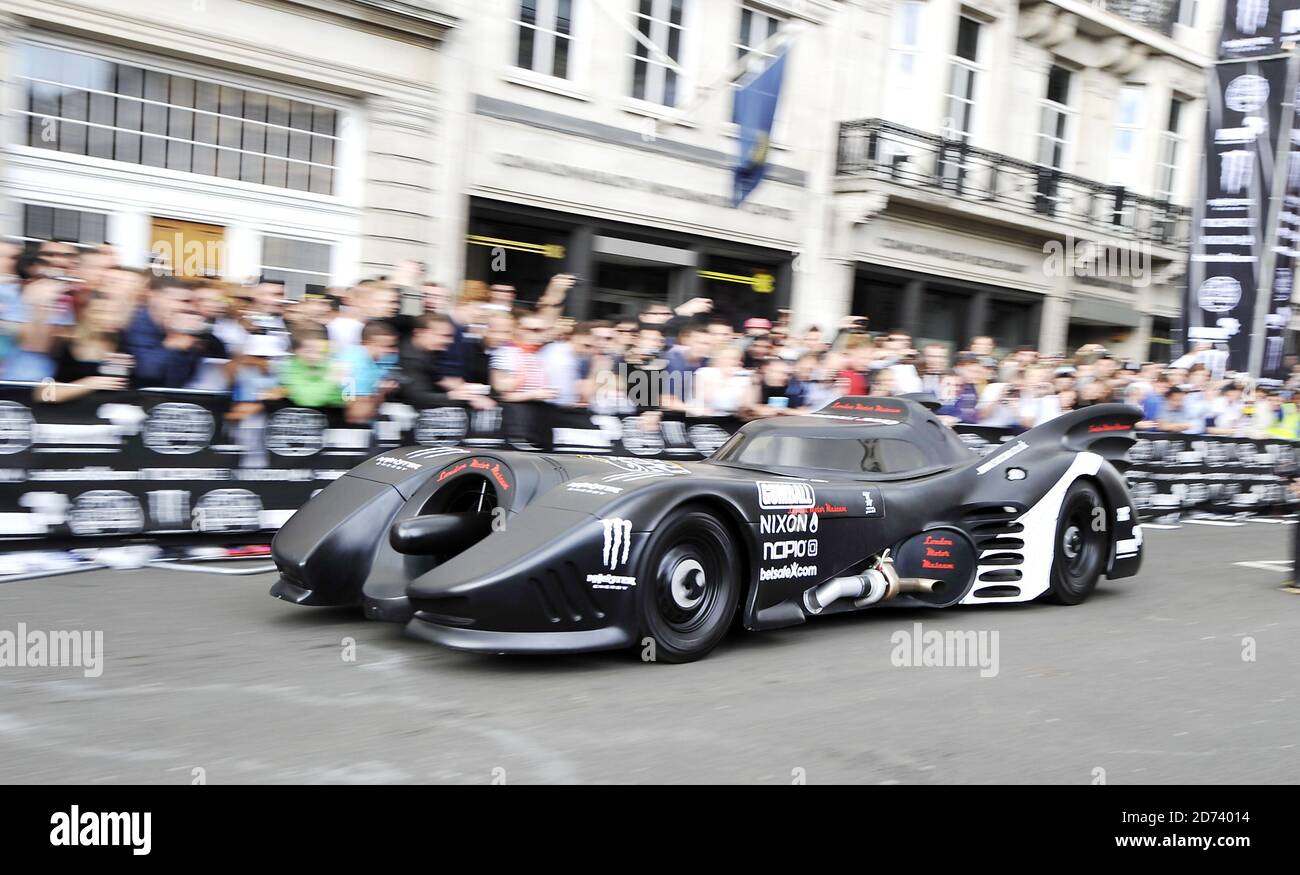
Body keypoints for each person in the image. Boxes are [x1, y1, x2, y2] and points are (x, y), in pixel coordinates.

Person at [35, 293, 133, 403]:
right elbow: (44, 394)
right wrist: (89, 384)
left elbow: (122, 388)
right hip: (71, 414)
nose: (109, 318)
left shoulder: (123, 343)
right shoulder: (66, 346)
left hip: (110, 414)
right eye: (101, 311)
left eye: (114, 313)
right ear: (86, 312)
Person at [121, 277, 209, 388]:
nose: (187, 308)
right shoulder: (134, 322)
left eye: (190, 302)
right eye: (182, 301)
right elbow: (146, 372)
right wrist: (172, 344)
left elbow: (188, 376)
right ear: (155, 297)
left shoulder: (183, 328)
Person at [281, 330, 345, 409]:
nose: (313, 356)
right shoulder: (289, 367)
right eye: (308, 351)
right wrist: (331, 381)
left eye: (319, 352)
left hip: (333, 414)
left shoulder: (336, 366)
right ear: (297, 351)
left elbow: (350, 399)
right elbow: (307, 400)